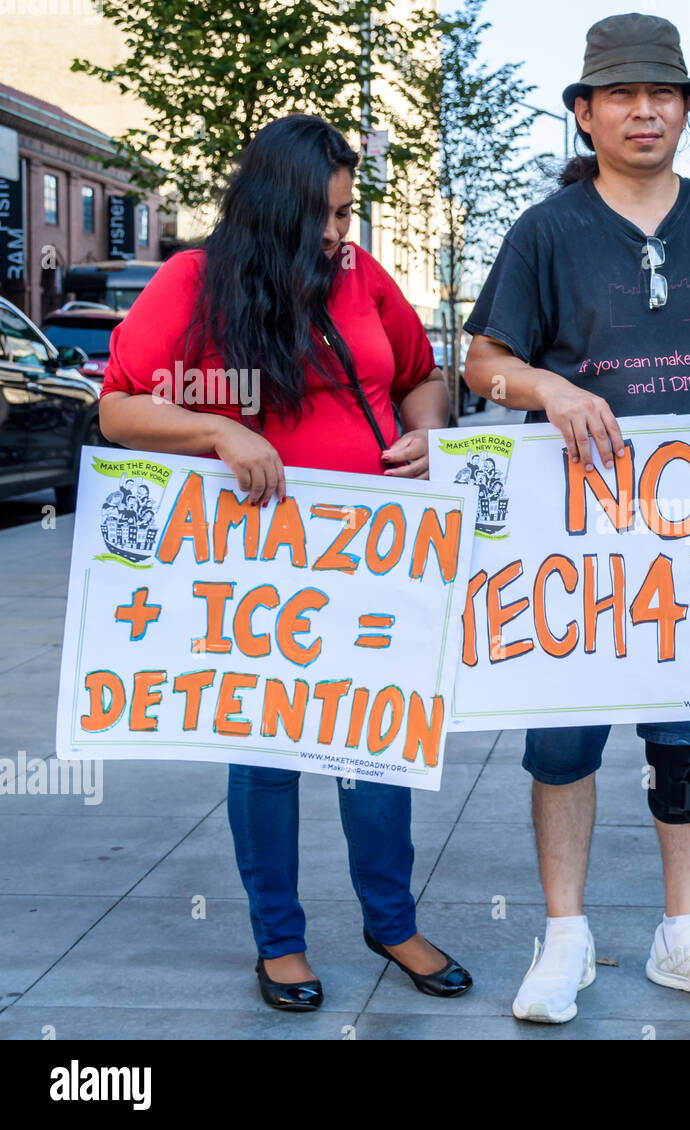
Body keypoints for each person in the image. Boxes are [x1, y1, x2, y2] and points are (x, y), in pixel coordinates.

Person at [463, 12, 690, 1023]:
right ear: (584, 114)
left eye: (664, 93)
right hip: (572, 534)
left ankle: (685, 933)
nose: (645, 108)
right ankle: (564, 932)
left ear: (687, 112)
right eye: (620, 94)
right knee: (562, 741)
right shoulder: (546, 231)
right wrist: (548, 389)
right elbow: (484, 363)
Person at [98, 114, 472, 1012]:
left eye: (348, 214)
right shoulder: (196, 280)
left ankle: (391, 921)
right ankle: (281, 942)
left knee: (382, 740)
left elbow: (425, 374)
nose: (342, 235)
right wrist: (219, 427)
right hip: (264, 565)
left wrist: (429, 433)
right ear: (276, 206)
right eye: (327, 216)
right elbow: (119, 409)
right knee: (269, 753)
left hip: (377, 552)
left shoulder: (358, 275)